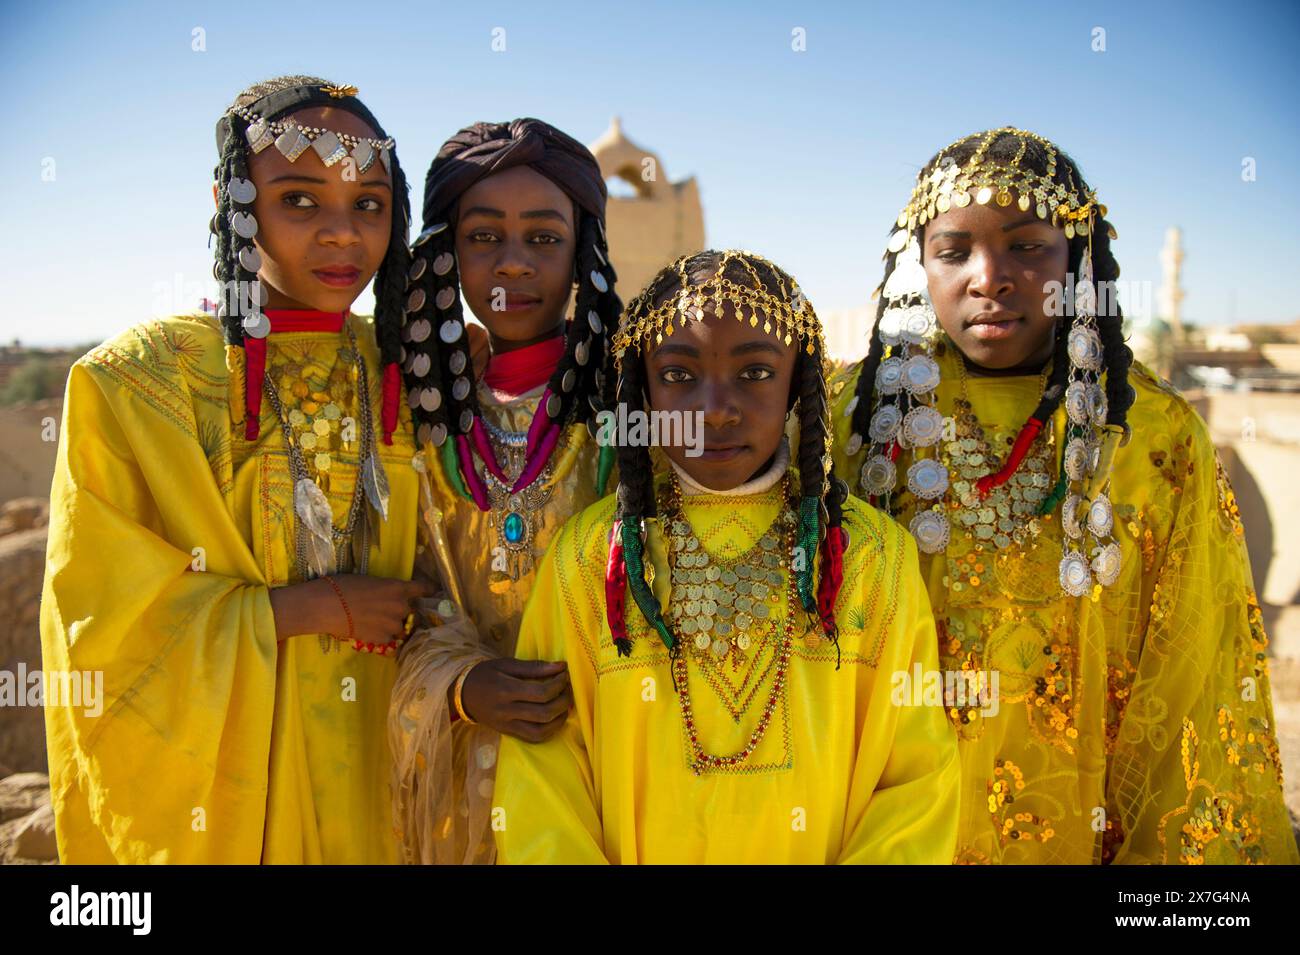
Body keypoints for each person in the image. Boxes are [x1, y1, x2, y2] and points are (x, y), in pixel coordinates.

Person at [833, 127, 1298, 864]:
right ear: (918, 264)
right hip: (885, 831)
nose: (989, 276)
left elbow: (1189, 687)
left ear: (1077, 260)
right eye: (954, 251)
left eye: (1026, 247)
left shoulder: (1151, 437)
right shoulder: (849, 421)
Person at [40, 75, 431, 863]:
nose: (341, 235)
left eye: (369, 204)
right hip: (231, 813)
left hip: (390, 781)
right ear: (232, 201)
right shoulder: (141, 379)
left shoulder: (412, 373)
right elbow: (97, 626)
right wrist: (301, 611)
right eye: (298, 200)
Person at [492, 249, 959, 863]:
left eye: (756, 373)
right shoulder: (590, 559)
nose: (715, 408)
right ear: (643, 390)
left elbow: (916, 781)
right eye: (679, 376)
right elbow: (543, 777)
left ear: (798, 384)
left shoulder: (869, 557)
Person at [388, 119, 622, 864]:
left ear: (583, 251)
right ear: (447, 254)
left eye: (544, 239)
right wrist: (461, 685)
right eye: (484, 237)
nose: (514, 264)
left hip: (603, 767)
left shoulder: (631, 408)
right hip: (461, 785)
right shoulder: (416, 419)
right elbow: (403, 596)